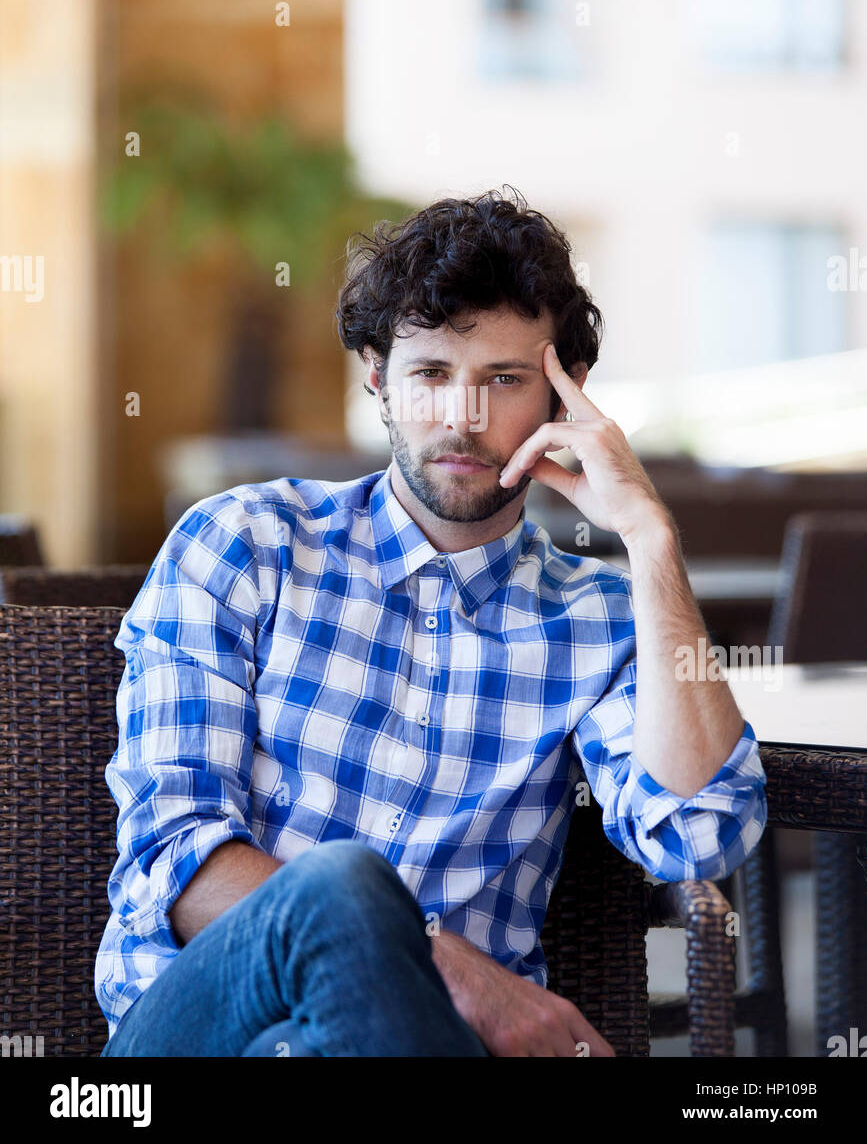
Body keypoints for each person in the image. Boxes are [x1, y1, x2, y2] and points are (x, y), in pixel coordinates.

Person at [97, 187, 767, 1058]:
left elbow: (701, 830)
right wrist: (442, 962)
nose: (463, 417)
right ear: (375, 376)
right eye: (430, 375)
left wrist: (648, 538)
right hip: (205, 1031)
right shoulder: (243, 544)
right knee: (341, 886)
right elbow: (176, 858)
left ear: (566, 398)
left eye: (504, 379)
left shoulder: (595, 620)